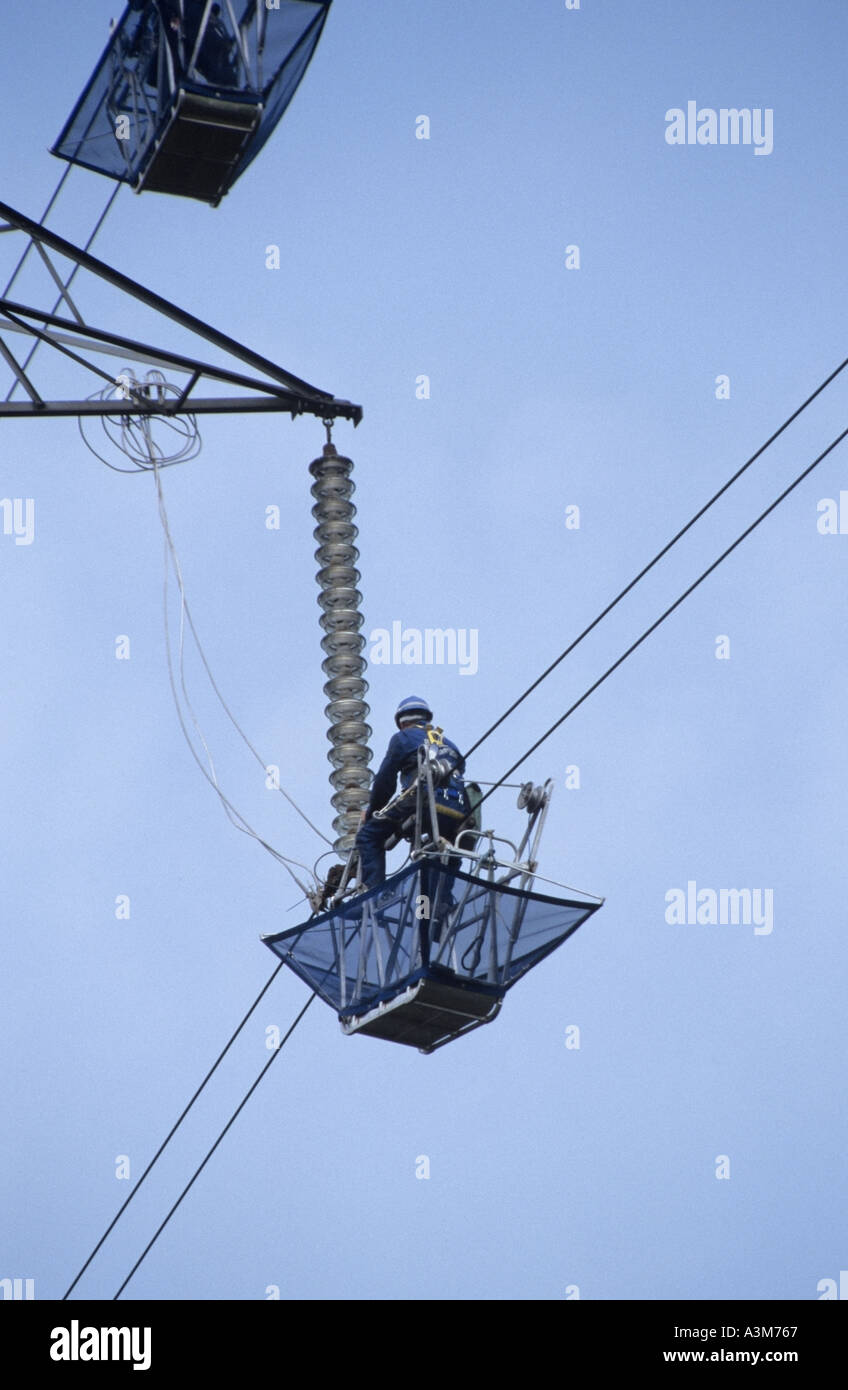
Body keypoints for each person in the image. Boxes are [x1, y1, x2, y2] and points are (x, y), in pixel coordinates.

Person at [355, 697, 469, 894]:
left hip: (422, 801)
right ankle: (443, 901)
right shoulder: (450, 745)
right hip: (458, 809)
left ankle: (376, 894)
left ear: (402, 722)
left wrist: (373, 812)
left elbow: (385, 781)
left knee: (368, 835)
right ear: (427, 718)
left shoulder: (403, 738)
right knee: (447, 848)